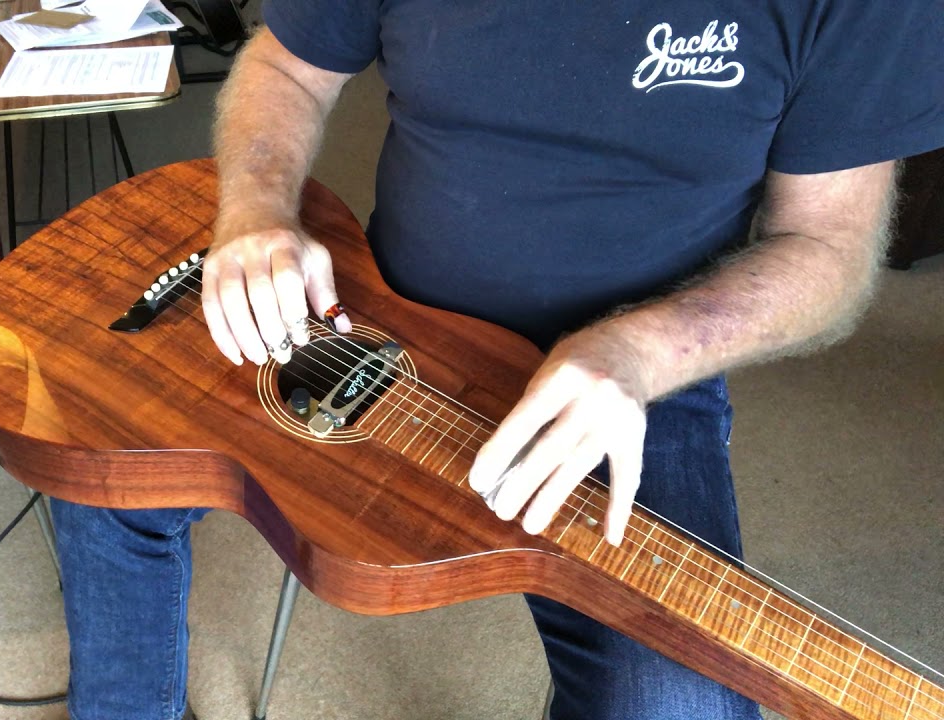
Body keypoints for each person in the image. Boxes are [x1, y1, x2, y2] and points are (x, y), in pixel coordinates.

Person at [51, 3, 944, 718]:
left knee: (678, 703)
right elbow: (287, 65)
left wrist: (640, 350)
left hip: (634, 380)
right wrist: (255, 209)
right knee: (93, 443)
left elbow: (829, 248)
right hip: (381, 318)